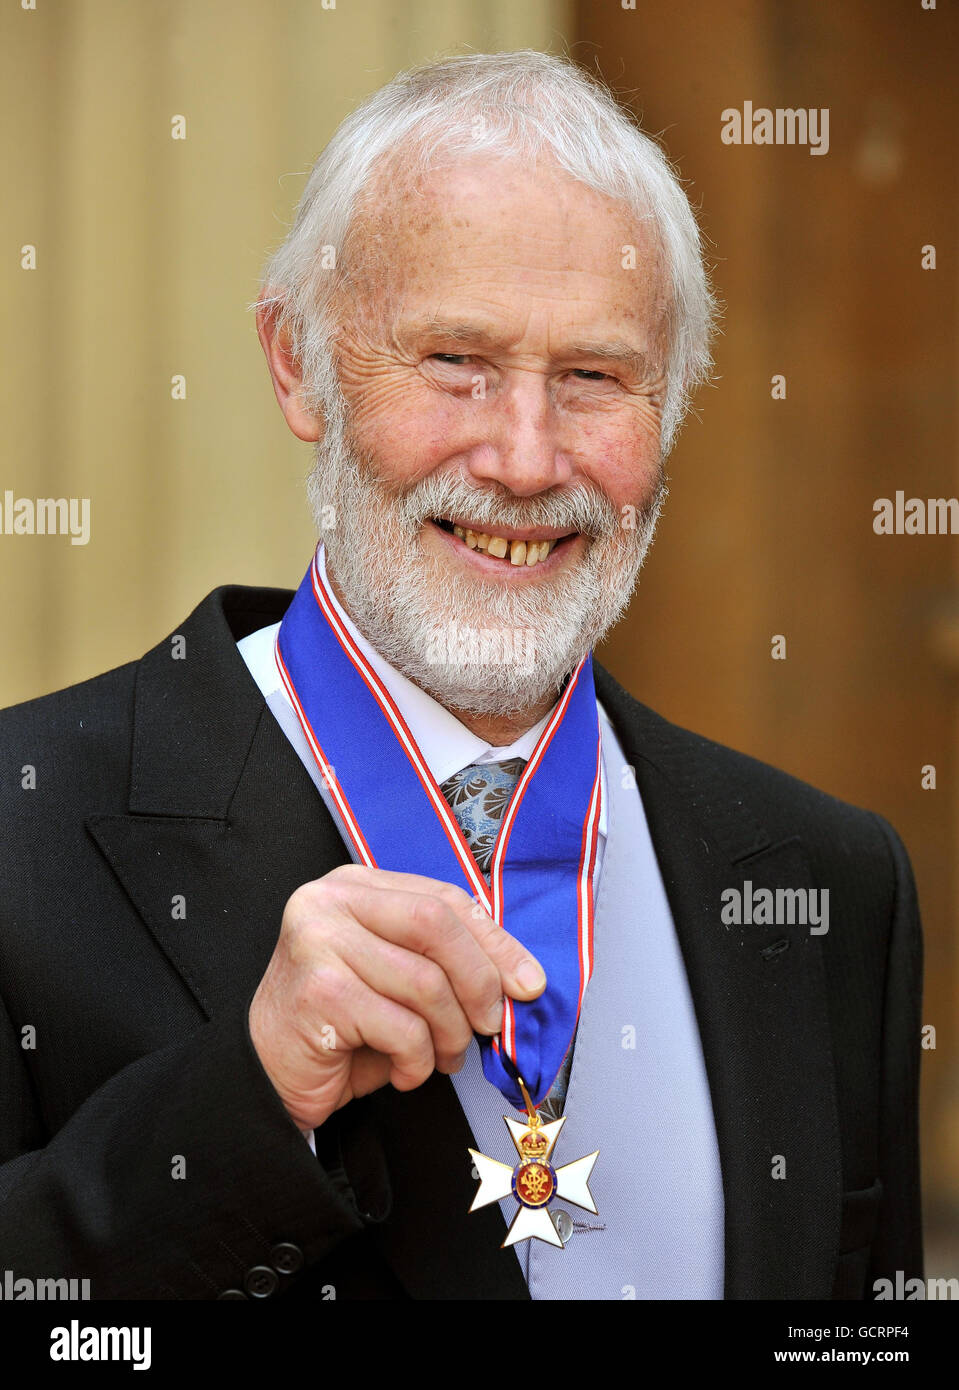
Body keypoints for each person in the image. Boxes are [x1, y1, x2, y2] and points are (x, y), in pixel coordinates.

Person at [0, 51, 922, 1301]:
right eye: (454, 362)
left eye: (594, 376)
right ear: (297, 366)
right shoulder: (23, 827)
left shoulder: (826, 880)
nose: (526, 458)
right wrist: (247, 1098)